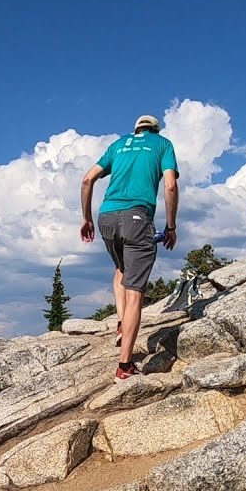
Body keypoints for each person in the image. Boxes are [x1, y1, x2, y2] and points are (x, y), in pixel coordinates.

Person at [79, 114, 179, 381]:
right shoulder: (162, 145)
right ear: (155, 130)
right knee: (135, 291)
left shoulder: (118, 145)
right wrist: (171, 226)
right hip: (138, 216)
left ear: (135, 129)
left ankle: (122, 324)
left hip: (106, 217)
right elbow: (170, 185)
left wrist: (86, 218)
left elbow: (88, 180)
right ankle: (125, 367)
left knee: (121, 268)